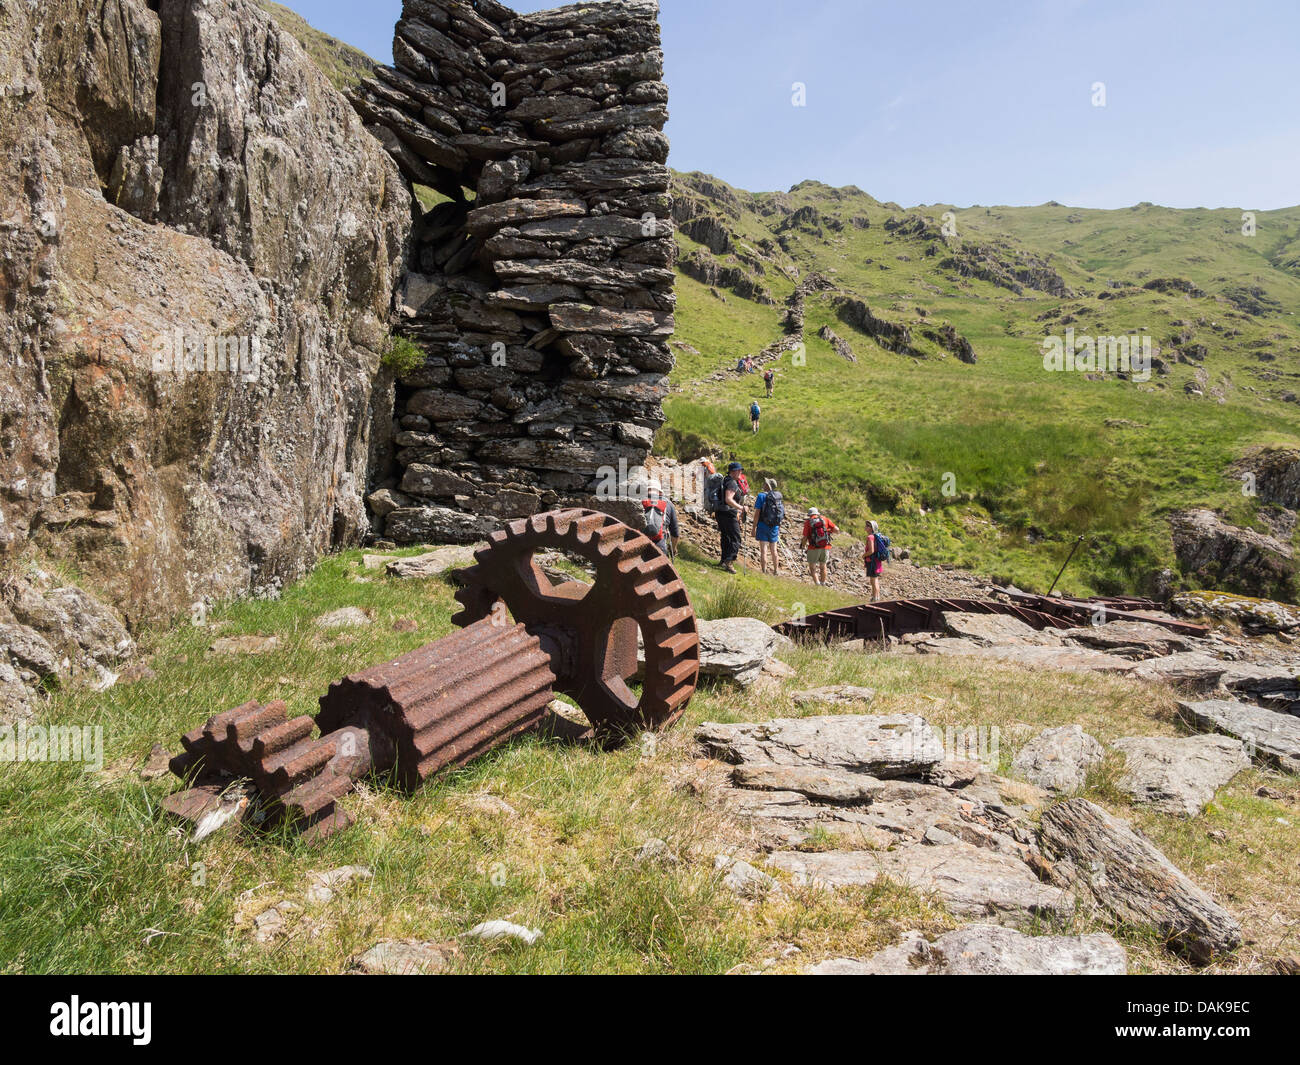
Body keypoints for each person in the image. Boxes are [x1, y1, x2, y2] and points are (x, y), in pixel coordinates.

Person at [715, 461, 746, 573]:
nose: (740, 472)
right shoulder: (732, 483)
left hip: (720, 513)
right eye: (739, 470)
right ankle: (729, 562)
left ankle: (723, 560)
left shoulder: (725, 480)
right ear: (733, 471)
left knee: (726, 537)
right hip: (728, 514)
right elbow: (728, 499)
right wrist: (741, 508)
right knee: (736, 539)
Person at [751, 478, 784, 575]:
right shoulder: (777, 496)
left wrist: (754, 528)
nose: (764, 484)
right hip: (774, 526)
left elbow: (757, 513)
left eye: (765, 483)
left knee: (763, 550)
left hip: (762, 525)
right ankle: (776, 571)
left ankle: (764, 571)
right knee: (774, 550)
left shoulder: (761, 496)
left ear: (768, 486)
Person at [640, 480, 680, 558]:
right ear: (660, 492)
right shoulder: (669, 504)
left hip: (640, 542)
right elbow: (675, 533)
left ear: (646, 490)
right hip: (659, 546)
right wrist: (674, 549)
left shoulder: (639, 501)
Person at [800, 506, 838, 586]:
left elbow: (805, 537)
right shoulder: (825, 519)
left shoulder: (808, 522)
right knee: (823, 566)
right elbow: (837, 530)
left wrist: (803, 546)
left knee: (812, 568)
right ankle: (823, 583)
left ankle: (817, 584)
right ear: (817, 513)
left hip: (813, 547)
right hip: (825, 546)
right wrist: (828, 532)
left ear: (809, 515)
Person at [863, 519, 887, 602]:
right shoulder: (877, 536)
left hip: (872, 562)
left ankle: (875, 598)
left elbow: (871, 551)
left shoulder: (870, 537)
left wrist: (863, 555)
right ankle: (875, 597)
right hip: (877, 562)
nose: (865, 527)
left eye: (867, 526)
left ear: (871, 528)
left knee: (874, 580)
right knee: (874, 579)